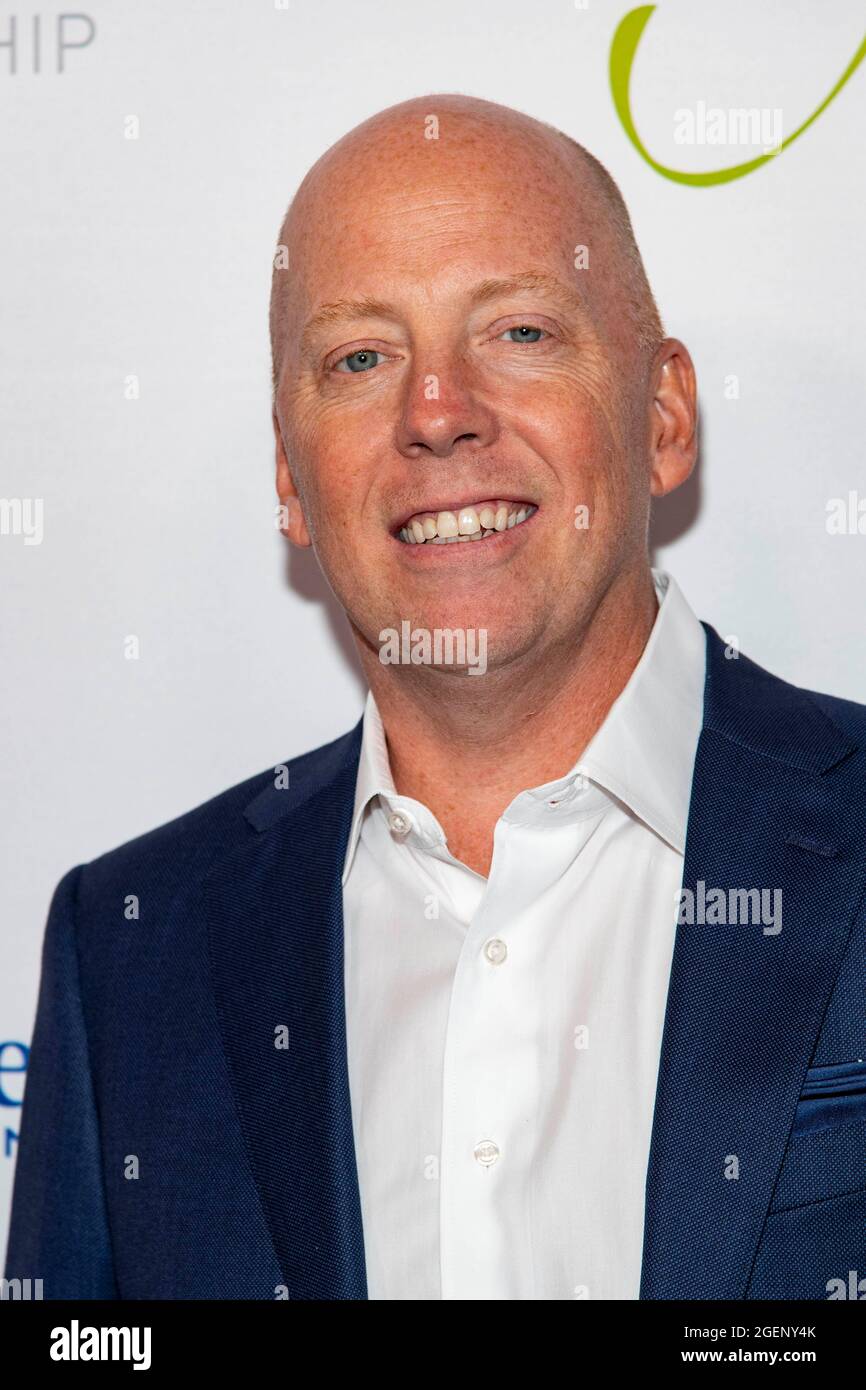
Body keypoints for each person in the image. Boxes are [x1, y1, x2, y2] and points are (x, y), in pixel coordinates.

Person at [5, 94, 866, 1301]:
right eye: (360, 358)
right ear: (291, 482)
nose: (434, 411)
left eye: (516, 331)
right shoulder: (132, 947)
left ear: (662, 416)